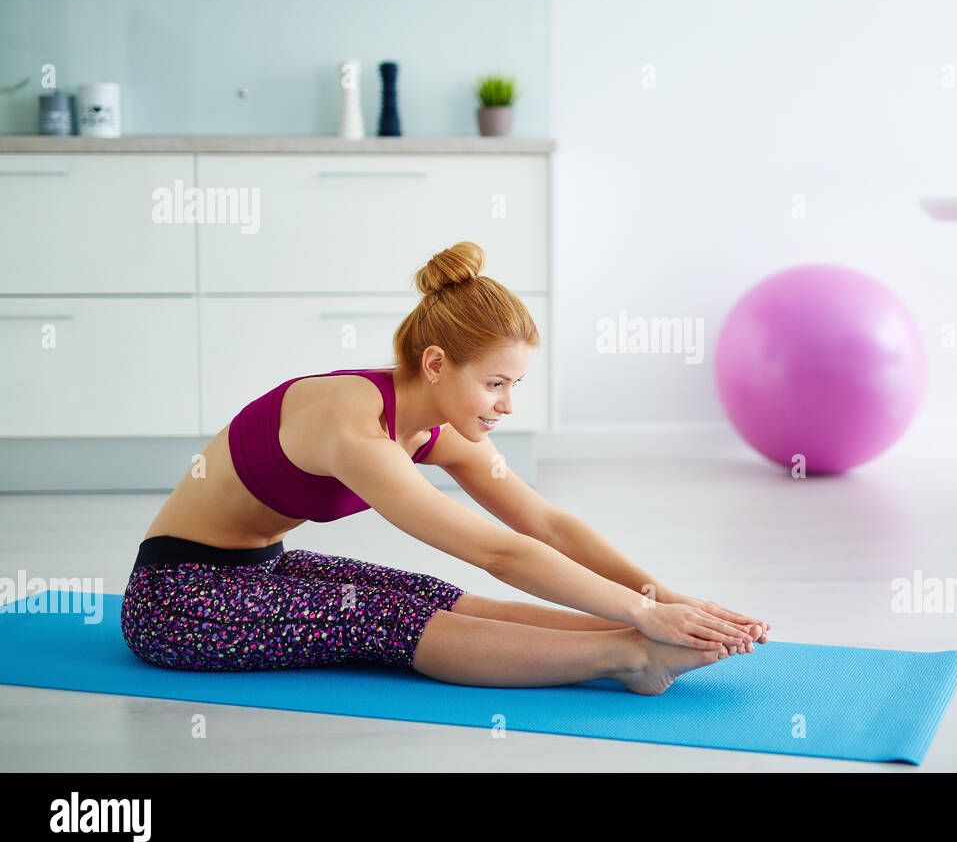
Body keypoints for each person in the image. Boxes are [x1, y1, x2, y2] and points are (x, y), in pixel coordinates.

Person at [121, 240, 769, 695]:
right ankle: (630, 657)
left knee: (429, 597)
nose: (507, 405)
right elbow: (502, 552)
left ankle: (643, 638)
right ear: (436, 364)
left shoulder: (439, 427)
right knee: (374, 618)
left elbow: (544, 525)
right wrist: (643, 620)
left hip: (265, 569)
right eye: (494, 384)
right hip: (177, 598)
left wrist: (656, 597)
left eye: (513, 385)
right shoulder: (352, 425)